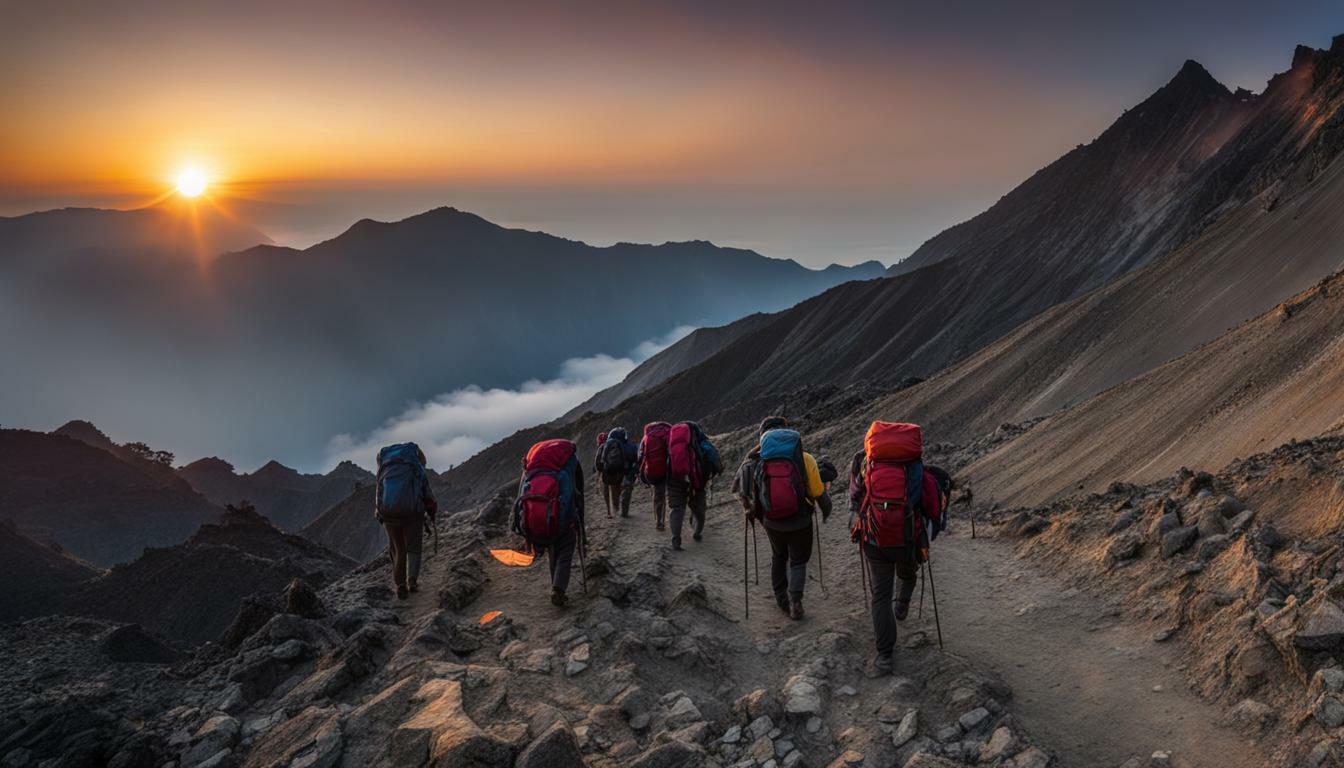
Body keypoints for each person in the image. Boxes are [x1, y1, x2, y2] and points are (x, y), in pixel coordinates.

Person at [848, 421, 944, 674]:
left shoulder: (865, 463)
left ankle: (884, 657)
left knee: (880, 596)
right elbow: (933, 507)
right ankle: (902, 605)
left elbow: (855, 497)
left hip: (874, 539)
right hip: (907, 539)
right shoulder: (915, 468)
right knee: (908, 571)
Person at [733, 416, 837, 619]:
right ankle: (795, 600)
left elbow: (744, 493)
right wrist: (826, 511)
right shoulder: (805, 458)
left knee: (778, 557)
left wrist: (752, 514)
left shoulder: (755, 461)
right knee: (798, 560)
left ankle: (781, 599)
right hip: (800, 521)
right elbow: (817, 491)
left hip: (772, 522)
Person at [374, 443, 438, 600]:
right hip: (413, 513)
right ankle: (412, 581)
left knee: (397, 548)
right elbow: (427, 494)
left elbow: (379, 495)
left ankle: (400, 585)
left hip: (389, 515)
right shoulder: (417, 469)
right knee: (414, 547)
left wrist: (380, 512)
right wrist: (431, 511)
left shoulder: (384, 470)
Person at [665, 421, 722, 550]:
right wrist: (717, 469)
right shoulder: (701, 440)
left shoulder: (671, 441)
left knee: (677, 508)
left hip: (675, 479)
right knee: (699, 507)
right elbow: (713, 456)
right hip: (697, 480)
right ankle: (697, 531)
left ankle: (676, 539)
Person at [596, 426, 638, 518]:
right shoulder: (631, 446)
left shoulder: (605, 445)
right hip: (628, 474)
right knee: (626, 490)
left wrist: (602, 471)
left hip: (613, 473)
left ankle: (615, 509)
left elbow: (598, 462)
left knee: (614, 489)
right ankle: (624, 511)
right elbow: (636, 459)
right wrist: (636, 472)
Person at [638, 421, 672, 531]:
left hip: (651, 471)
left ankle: (658, 520)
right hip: (665, 470)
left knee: (657, 494)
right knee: (661, 494)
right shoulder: (668, 434)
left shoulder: (646, 437)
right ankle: (660, 520)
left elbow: (640, 456)